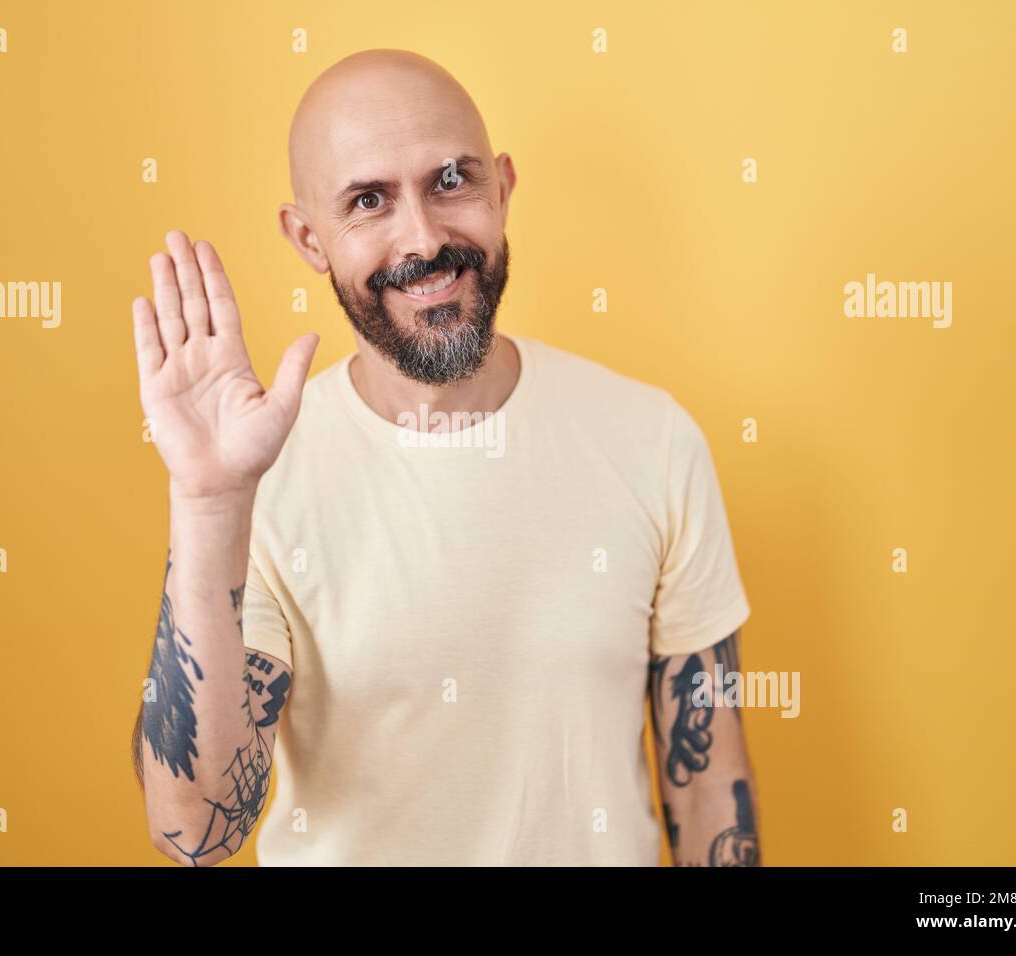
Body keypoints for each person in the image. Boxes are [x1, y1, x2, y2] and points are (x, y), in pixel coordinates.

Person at [129, 48, 758, 867]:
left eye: (451, 180)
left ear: (502, 187)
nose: (423, 238)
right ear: (309, 237)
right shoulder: (262, 480)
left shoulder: (653, 439)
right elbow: (194, 831)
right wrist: (212, 505)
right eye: (368, 200)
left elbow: (709, 785)